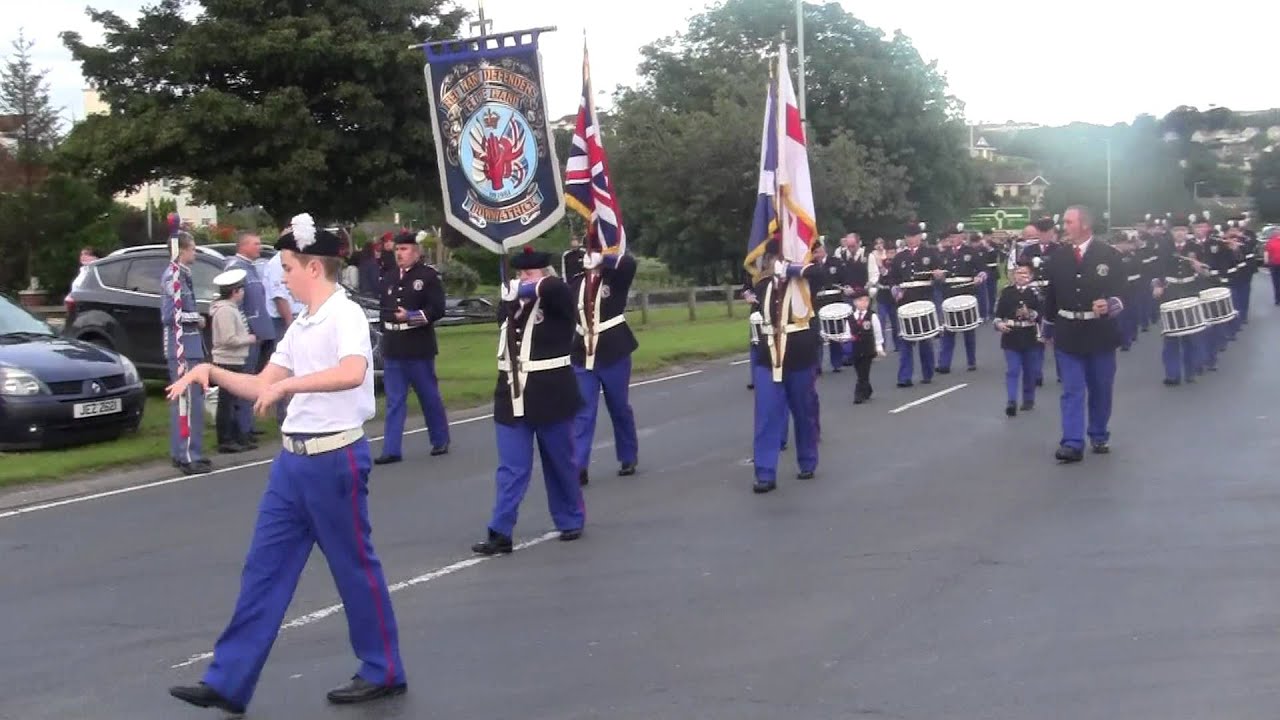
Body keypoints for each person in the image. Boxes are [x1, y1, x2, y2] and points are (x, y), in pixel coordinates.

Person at [166, 214, 405, 714]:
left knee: (354, 568)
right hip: (292, 465)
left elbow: (350, 373)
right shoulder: (303, 323)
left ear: (314, 268)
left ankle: (383, 669)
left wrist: (287, 387)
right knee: (263, 569)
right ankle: (228, 681)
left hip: (335, 458)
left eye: (288, 267)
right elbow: (263, 383)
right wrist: (210, 370)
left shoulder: (345, 315)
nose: (283, 277)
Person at [472, 246, 585, 555]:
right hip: (511, 393)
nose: (523, 278)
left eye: (529, 273)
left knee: (559, 461)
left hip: (552, 392)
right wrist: (512, 294)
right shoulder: (509, 303)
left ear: (543, 274)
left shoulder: (557, 296)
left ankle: (570, 518)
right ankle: (500, 531)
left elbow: (554, 288)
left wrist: (522, 286)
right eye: (519, 273)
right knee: (512, 468)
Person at [1041, 205, 1126, 463]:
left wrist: (1110, 303)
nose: (1063, 227)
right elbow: (1051, 296)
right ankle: (1072, 442)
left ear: (1084, 225)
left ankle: (1098, 433)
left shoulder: (1109, 255)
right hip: (1068, 332)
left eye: (1068, 222)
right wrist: (1047, 328)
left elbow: (1123, 290)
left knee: (1101, 387)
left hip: (1100, 332)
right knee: (1072, 389)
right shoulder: (1057, 257)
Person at [749, 238, 823, 493]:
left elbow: (821, 272)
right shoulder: (762, 284)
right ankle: (765, 472)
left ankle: (807, 460)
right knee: (767, 413)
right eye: (773, 259)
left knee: (804, 410)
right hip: (768, 355)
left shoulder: (804, 281)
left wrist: (793, 270)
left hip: (799, 352)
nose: (774, 262)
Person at [374, 232, 451, 464]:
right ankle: (391, 448)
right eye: (397, 249)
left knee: (428, 395)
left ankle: (440, 439)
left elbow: (437, 309)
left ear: (416, 253)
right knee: (394, 399)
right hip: (394, 346)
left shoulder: (427, 277)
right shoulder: (388, 278)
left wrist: (412, 316)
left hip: (418, 345)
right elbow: (383, 308)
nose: (399, 253)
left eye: (405, 249)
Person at [569, 246, 639, 486]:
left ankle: (628, 456)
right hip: (582, 353)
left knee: (619, 407)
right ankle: (579, 465)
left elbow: (629, 264)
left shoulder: (615, 278)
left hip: (613, 351)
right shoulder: (576, 282)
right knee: (582, 412)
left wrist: (606, 258)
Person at [161, 233, 211, 475]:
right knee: (190, 404)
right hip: (182, 348)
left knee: (186, 402)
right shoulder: (174, 275)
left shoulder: (183, 275)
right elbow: (171, 316)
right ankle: (188, 454)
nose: (196, 253)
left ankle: (183, 451)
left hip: (190, 346)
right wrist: (197, 318)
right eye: (193, 249)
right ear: (181, 250)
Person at [225, 232, 278, 438]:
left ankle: (248, 423)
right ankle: (241, 427)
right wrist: (247, 330)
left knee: (255, 378)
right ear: (243, 246)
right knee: (245, 379)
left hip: (260, 332)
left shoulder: (251, 268)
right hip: (249, 334)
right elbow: (236, 305)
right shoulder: (236, 269)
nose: (259, 247)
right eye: (255, 244)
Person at [885, 222, 941, 387]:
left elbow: (940, 272)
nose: (911, 239)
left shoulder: (930, 253)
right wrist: (895, 290)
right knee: (905, 340)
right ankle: (904, 377)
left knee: (924, 339)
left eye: (914, 236)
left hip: (923, 299)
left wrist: (938, 275)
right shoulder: (899, 257)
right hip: (905, 302)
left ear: (919, 237)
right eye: (908, 237)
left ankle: (927, 373)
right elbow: (892, 279)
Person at [209, 268, 257, 452]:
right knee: (226, 402)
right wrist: (249, 339)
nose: (243, 292)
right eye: (241, 289)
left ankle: (237, 436)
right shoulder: (226, 311)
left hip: (235, 359)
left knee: (233, 401)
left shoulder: (231, 309)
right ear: (234, 291)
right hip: (227, 360)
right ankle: (225, 439)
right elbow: (228, 339)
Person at [936, 223, 986, 373]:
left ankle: (971, 360)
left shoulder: (971, 251)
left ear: (962, 236)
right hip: (949, 294)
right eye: (950, 237)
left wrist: (979, 278)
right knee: (948, 330)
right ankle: (944, 363)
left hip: (966, 292)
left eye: (955, 236)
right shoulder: (943, 254)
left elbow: (983, 270)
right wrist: (939, 276)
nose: (952, 239)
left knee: (968, 329)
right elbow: (940, 274)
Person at [994, 263, 1042, 416]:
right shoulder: (1006, 292)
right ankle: (1011, 400)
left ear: (1031, 276)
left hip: (1029, 335)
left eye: (1025, 273)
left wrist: (1031, 314)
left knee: (1029, 371)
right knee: (1013, 370)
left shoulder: (1035, 293)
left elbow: (1043, 313)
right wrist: (999, 324)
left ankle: (1028, 399)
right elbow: (998, 315)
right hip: (1011, 335)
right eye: (1018, 272)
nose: (1021, 275)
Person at [846, 287, 885, 404]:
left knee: (863, 371)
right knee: (859, 370)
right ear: (854, 302)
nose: (863, 303)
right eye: (860, 300)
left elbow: (877, 332)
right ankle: (867, 389)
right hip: (856, 349)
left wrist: (879, 347)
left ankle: (858, 394)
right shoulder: (850, 318)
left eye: (866, 300)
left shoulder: (872, 316)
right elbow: (847, 333)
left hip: (867, 348)